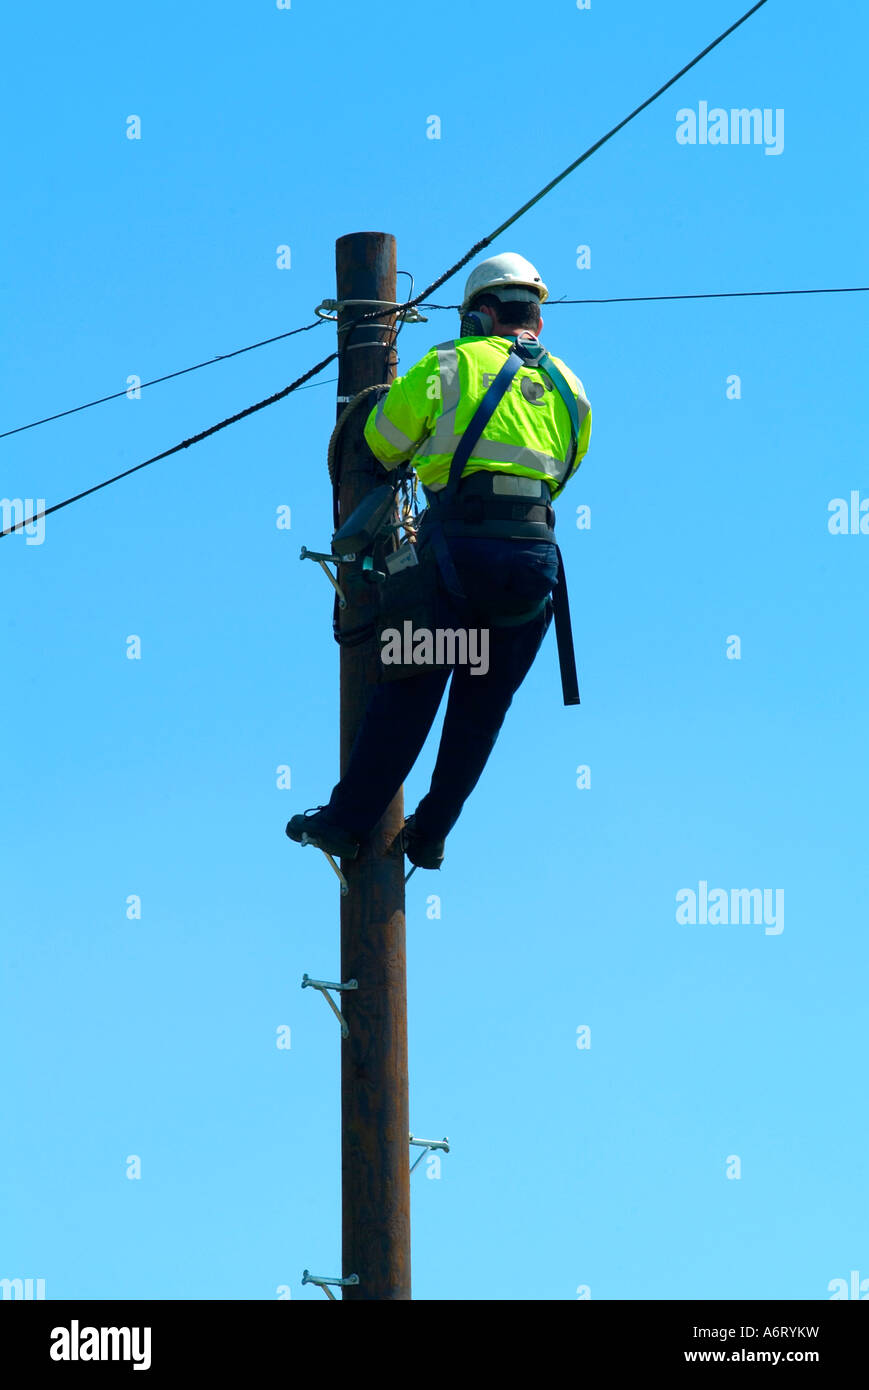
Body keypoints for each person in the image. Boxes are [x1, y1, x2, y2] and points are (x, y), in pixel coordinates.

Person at [287, 252, 592, 870]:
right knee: (481, 712)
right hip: (534, 569)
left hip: (457, 558)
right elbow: (563, 471)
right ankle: (430, 833)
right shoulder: (570, 387)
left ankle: (346, 824)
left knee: (409, 690)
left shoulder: (451, 364)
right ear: (535, 316)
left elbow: (381, 440)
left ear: (479, 314)